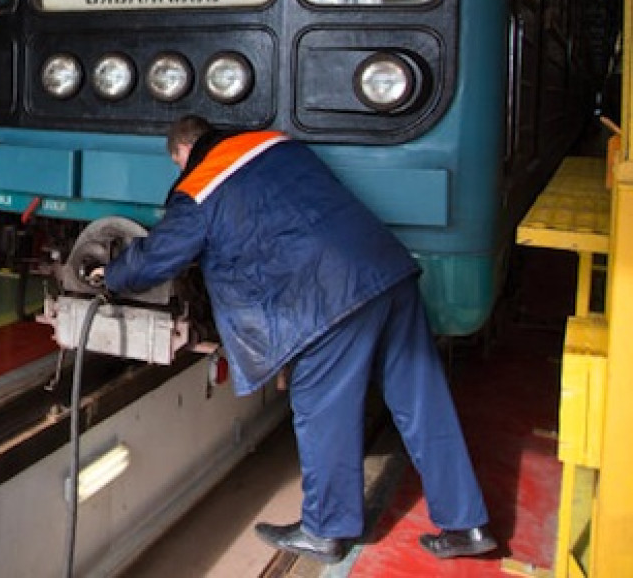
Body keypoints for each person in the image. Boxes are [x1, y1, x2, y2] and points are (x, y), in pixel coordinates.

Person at [93, 115, 497, 564]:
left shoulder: (201, 184)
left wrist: (110, 275)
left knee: (321, 412)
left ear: (184, 152)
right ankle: (467, 524)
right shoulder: (276, 146)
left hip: (328, 301)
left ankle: (326, 530)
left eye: (178, 164)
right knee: (423, 401)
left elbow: (160, 256)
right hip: (387, 273)